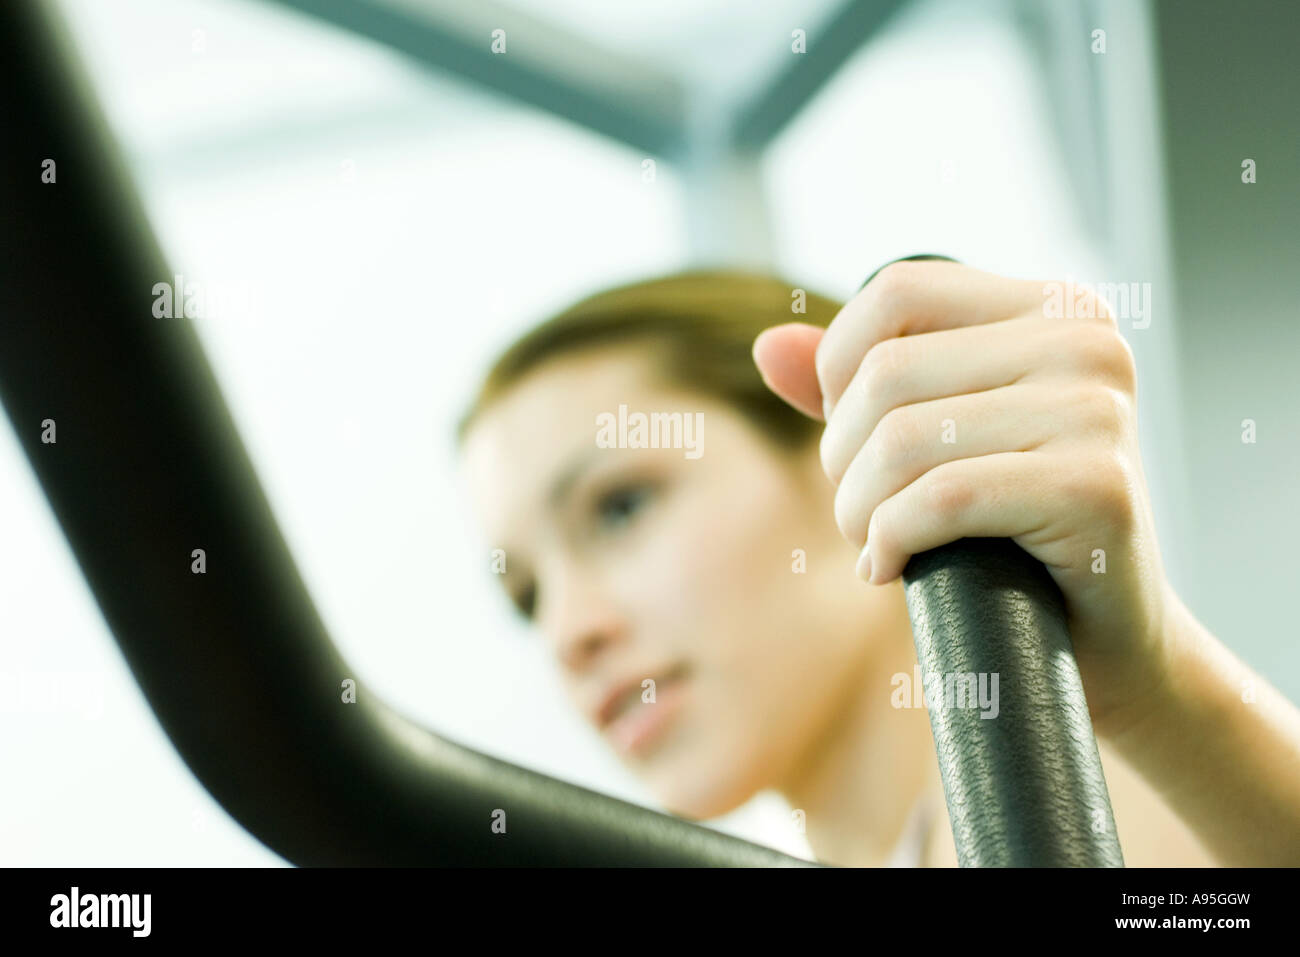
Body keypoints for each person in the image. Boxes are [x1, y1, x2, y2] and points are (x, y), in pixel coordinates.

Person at [454, 257, 1300, 867]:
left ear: (854, 451)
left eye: (619, 506)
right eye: (527, 594)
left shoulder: (1111, 818)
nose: (568, 632)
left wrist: (1158, 687)